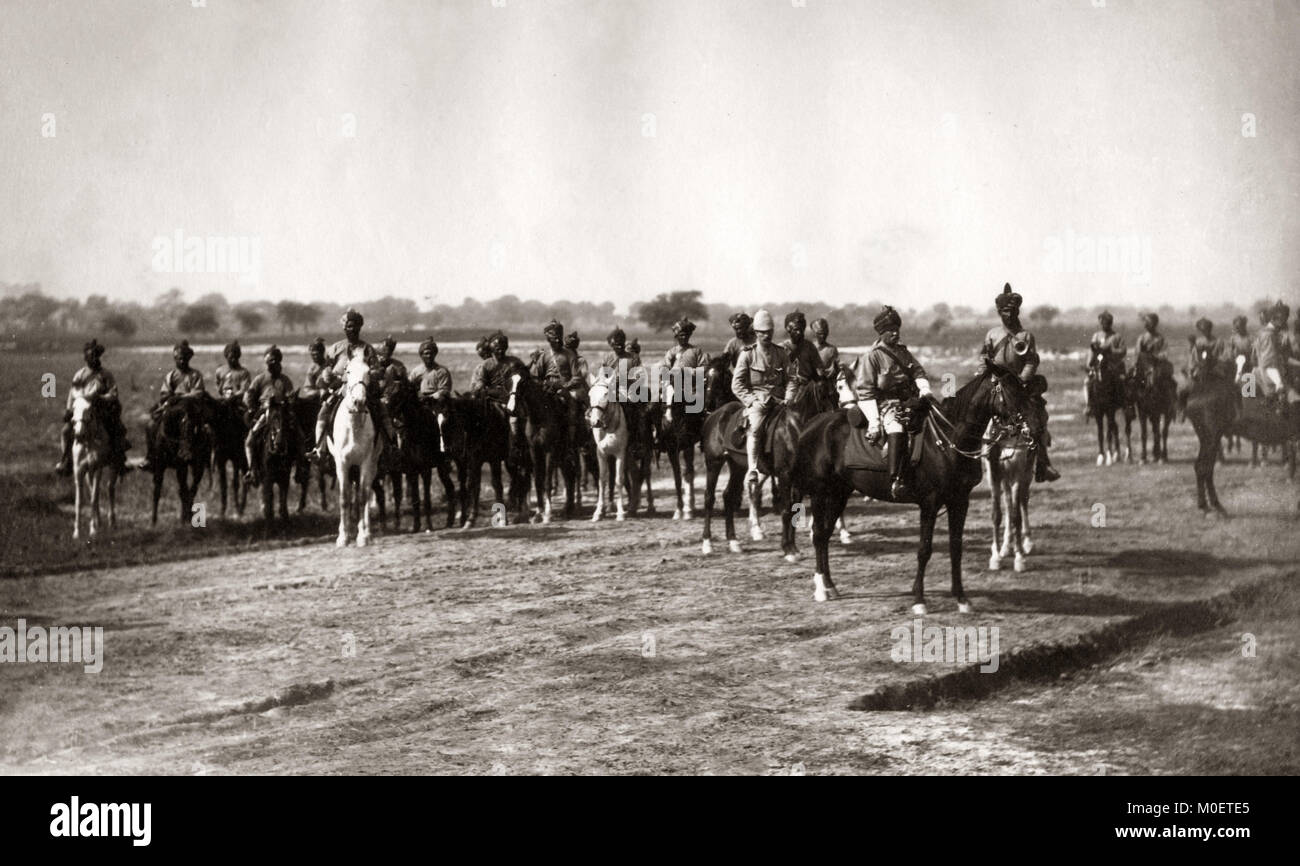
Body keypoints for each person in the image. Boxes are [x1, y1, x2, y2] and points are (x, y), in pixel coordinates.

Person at [853, 306, 933, 499]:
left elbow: (918, 371)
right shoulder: (872, 357)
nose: (896, 333)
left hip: (910, 401)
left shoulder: (904, 352)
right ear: (882, 333)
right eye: (891, 330)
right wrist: (874, 422)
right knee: (896, 428)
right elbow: (865, 392)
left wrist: (924, 389)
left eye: (897, 329)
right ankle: (896, 479)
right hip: (886, 405)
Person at [982, 284, 1059, 482]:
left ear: (1017, 312)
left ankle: (1043, 463)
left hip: (1019, 386)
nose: (1008, 315)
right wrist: (985, 376)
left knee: (1037, 418)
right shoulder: (992, 335)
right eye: (1005, 311)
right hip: (996, 385)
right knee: (975, 415)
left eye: (1012, 311)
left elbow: (1032, 361)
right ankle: (975, 460)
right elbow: (984, 359)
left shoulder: (1026, 336)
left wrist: (1023, 379)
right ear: (999, 312)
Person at [306, 309, 389, 462]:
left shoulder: (367, 349)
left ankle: (390, 447)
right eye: (349, 326)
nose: (352, 329)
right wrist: (327, 374)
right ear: (344, 328)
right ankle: (319, 448)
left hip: (362, 389)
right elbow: (327, 367)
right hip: (340, 389)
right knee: (324, 412)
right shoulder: (336, 348)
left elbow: (377, 369)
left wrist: (372, 373)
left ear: (360, 327)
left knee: (381, 409)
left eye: (355, 326)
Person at [732, 309, 792, 485]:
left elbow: (792, 378)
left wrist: (789, 397)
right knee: (756, 428)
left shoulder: (781, 353)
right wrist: (752, 400)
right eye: (763, 333)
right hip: (759, 401)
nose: (767, 336)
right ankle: (752, 468)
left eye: (770, 332)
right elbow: (737, 384)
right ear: (756, 333)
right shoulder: (747, 354)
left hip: (781, 400)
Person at [54, 338, 131, 476]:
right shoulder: (80, 375)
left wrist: (101, 398)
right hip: (81, 411)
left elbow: (113, 393)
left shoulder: (105, 375)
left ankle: (120, 461)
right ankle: (66, 460)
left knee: (117, 429)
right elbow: (72, 394)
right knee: (66, 431)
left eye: (95, 356)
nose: (93, 359)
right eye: (90, 356)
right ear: (86, 357)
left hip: (101, 410)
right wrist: (68, 410)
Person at [141, 340, 206, 471]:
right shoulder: (171, 375)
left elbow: (198, 392)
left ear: (189, 358)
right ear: (175, 359)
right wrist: (170, 397)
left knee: (195, 424)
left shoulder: (195, 374)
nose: (182, 361)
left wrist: (181, 396)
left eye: (184, 358)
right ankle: (150, 456)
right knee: (151, 425)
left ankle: (189, 450)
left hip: (189, 406)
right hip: (173, 405)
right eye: (179, 359)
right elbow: (164, 392)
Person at [242, 346, 296, 486]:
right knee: (249, 440)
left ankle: (299, 468)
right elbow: (249, 395)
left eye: (273, 361)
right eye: (268, 362)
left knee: (299, 436)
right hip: (265, 412)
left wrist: (287, 401)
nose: (271, 364)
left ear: (279, 362)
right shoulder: (260, 379)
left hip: (282, 412)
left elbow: (291, 396)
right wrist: (253, 406)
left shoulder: (285, 380)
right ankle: (252, 470)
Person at [780, 310, 827, 400]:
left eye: (801, 329)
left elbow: (818, 368)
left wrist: (821, 375)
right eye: (796, 329)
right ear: (788, 329)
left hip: (808, 390)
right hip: (787, 389)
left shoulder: (809, 347)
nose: (799, 333)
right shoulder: (781, 348)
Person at [469, 330, 525, 403]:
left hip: (512, 397)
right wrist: (479, 389)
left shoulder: (515, 362)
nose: (500, 352)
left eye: (502, 349)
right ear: (492, 349)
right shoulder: (486, 365)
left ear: (505, 348)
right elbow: (481, 381)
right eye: (498, 349)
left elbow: (524, 377)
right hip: (492, 398)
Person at [1134, 312, 1171, 388]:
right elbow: (1137, 353)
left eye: (1149, 322)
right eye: (1145, 322)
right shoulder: (1142, 338)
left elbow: (1165, 353)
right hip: (1143, 365)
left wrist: (1156, 356)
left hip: (1156, 365)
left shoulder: (1160, 338)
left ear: (1155, 324)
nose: (1146, 324)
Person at [1227, 315, 1254, 382]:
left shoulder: (1250, 338)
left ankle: (1238, 378)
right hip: (1237, 358)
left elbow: (1254, 349)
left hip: (1248, 358)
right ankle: (1237, 378)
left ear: (1244, 326)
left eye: (1239, 327)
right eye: (1236, 327)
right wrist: (1231, 356)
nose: (1238, 329)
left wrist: (1252, 358)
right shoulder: (1233, 338)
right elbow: (1230, 348)